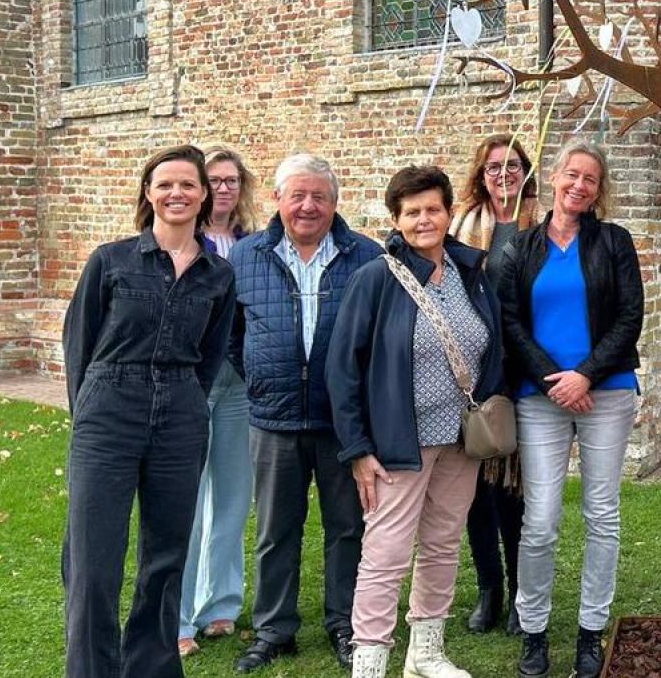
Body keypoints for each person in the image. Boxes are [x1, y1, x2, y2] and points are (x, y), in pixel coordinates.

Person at [62, 144, 238, 678]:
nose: (176, 193)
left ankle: (152, 668)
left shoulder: (217, 274)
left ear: (203, 195)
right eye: (165, 184)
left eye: (188, 184)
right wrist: (90, 411)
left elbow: (211, 355)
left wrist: (186, 402)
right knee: (94, 559)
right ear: (148, 193)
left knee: (165, 557)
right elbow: (79, 344)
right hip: (108, 411)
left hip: (181, 416)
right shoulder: (111, 260)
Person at [328, 165, 506, 678]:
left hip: (460, 442)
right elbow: (342, 369)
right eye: (412, 212)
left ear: (449, 213)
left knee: (443, 545)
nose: (424, 219)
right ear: (396, 219)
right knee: (385, 554)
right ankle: (369, 663)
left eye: (433, 209)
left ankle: (425, 653)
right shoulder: (376, 279)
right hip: (397, 445)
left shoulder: (469, 275)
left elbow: (490, 343)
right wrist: (358, 448)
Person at [493, 138, 644, 678]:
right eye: (572, 174)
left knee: (601, 514)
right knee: (539, 521)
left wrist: (586, 375)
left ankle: (590, 631)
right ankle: (533, 631)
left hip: (607, 391)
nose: (580, 185)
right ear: (554, 177)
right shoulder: (522, 247)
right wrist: (553, 380)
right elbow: (509, 322)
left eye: (591, 180)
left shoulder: (614, 242)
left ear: (599, 191)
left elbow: (630, 316)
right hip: (542, 398)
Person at [228, 154, 384, 673]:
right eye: (297, 195)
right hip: (274, 419)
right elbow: (232, 336)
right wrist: (261, 376)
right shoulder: (247, 256)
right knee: (276, 531)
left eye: (319, 196)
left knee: (347, 528)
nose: (308, 206)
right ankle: (274, 630)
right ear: (277, 199)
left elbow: (378, 338)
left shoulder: (366, 256)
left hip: (343, 422)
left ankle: (345, 625)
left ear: (335, 203)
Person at [450, 134, 540, 636]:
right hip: (472, 370)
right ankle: (490, 589)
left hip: (524, 368)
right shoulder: (461, 225)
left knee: (516, 489)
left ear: (527, 170)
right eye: (493, 168)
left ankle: (524, 593)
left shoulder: (543, 223)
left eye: (513, 165)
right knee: (476, 489)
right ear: (480, 176)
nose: (504, 175)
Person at [177, 145, 261, 658]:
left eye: (232, 180)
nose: (224, 188)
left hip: (240, 384)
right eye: (214, 180)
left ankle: (221, 604)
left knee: (232, 498)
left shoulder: (254, 242)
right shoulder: (184, 239)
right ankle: (179, 616)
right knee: (184, 502)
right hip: (194, 380)